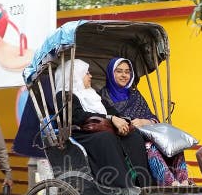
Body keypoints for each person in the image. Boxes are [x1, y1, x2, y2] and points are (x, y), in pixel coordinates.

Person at [57, 58, 151, 188]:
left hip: (100, 129)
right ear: (76, 75)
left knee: (133, 135)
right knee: (107, 138)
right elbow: (78, 116)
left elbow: (112, 111)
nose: (91, 76)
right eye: (87, 73)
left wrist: (122, 123)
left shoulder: (92, 94)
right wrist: (111, 118)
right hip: (80, 133)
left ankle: (141, 182)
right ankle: (120, 184)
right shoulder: (64, 95)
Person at [100, 57, 189, 186]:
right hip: (124, 140)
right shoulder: (102, 97)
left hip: (146, 134)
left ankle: (183, 180)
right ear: (111, 73)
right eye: (119, 71)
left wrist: (143, 121)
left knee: (174, 144)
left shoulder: (135, 95)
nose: (124, 75)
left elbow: (154, 119)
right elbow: (105, 119)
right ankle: (170, 182)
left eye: (127, 71)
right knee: (150, 146)